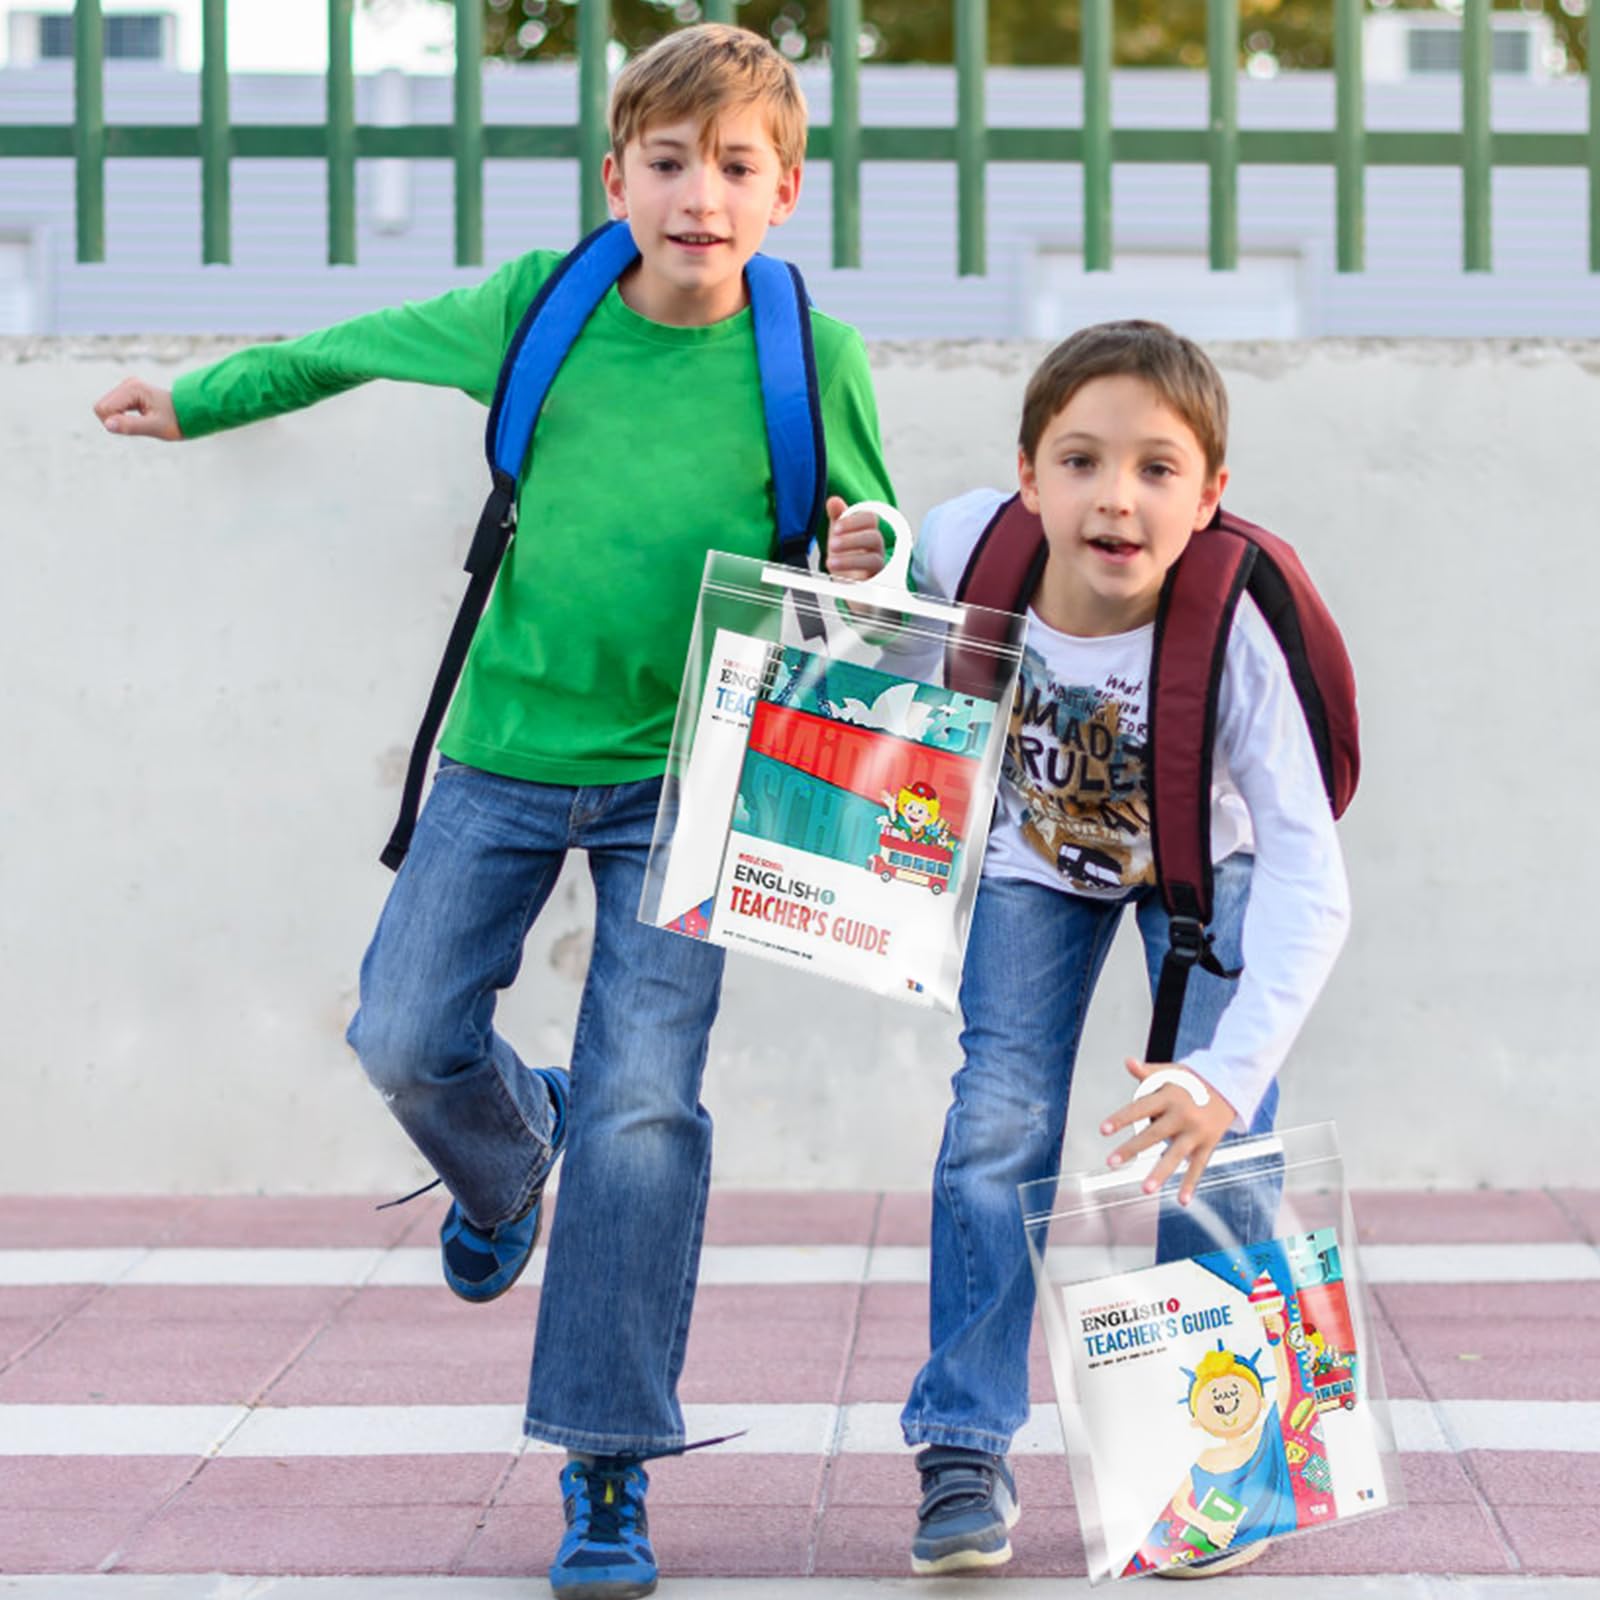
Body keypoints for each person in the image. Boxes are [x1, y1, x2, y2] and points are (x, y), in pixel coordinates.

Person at [93, 24, 895, 1599]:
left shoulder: (812, 353)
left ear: (787, 190)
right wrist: (199, 399)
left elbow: (866, 538)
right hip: (510, 748)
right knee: (402, 1031)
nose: (699, 194)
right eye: (669, 162)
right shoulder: (544, 306)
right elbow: (358, 343)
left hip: (694, 769)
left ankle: (606, 1466)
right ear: (618, 177)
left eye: (736, 167)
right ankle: (511, 1152)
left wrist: (871, 555)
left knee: (648, 1106)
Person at [895, 321, 1350, 1578]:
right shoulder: (961, 543)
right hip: (1038, 858)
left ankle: (1213, 1463)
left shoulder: (1234, 636)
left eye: (1157, 468)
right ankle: (961, 1444)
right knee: (996, 1121)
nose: (1115, 495)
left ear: (1209, 498)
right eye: (1081, 459)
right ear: (1027, 474)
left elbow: (1315, 879)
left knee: (1219, 1139)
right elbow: (887, 642)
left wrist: (1225, 1073)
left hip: (1208, 869)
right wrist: (862, 566)